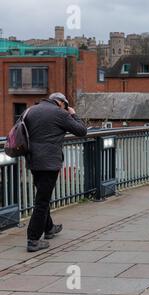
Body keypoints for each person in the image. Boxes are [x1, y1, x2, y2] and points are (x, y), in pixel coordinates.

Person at [25, 93, 87, 252]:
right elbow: (81, 131)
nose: (66, 108)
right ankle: (33, 239)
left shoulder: (31, 110)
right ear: (61, 103)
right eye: (65, 105)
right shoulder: (60, 113)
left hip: (33, 161)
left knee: (42, 195)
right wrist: (73, 114)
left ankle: (49, 228)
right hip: (49, 163)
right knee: (42, 201)